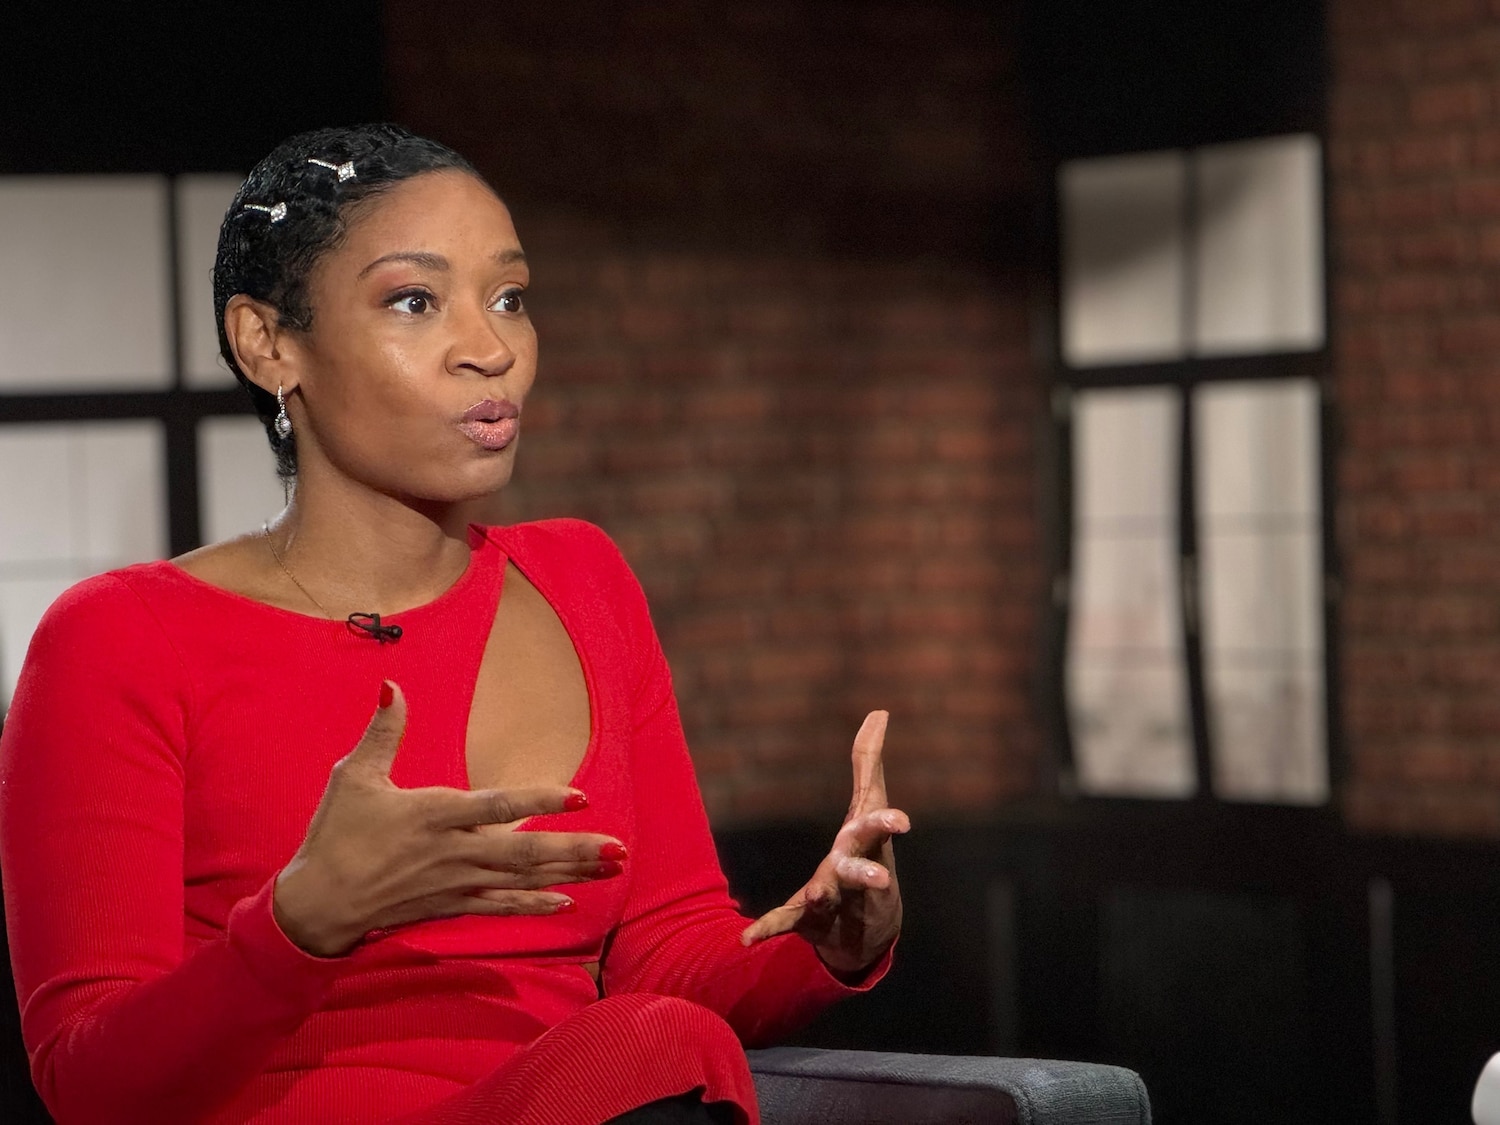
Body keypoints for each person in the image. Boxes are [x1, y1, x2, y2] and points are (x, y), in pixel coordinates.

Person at [0, 123, 906, 1125]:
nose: (492, 350)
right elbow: (87, 1081)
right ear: (269, 343)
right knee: (656, 1043)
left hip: (571, 1099)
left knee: (665, 1041)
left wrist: (827, 944)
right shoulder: (118, 638)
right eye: (414, 301)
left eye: (509, 297)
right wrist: (301, 925)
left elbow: (670, 951)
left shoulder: (583, 581)